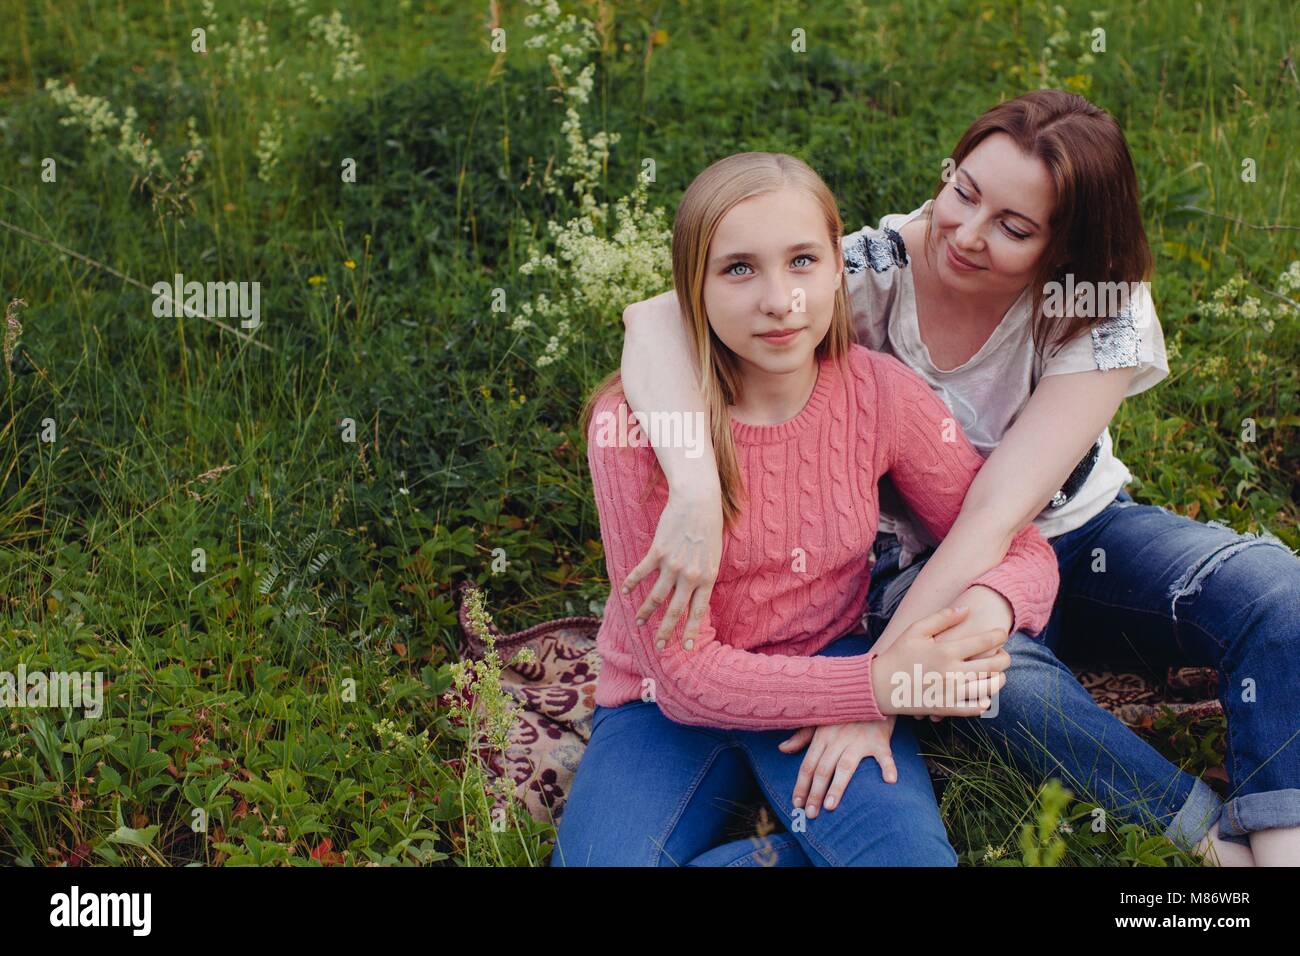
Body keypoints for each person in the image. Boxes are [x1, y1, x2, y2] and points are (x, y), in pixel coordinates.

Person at [616, 90, 1300, 866]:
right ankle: (1205, 839)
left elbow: (996, 516)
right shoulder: (875, 265)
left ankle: (1283, 842)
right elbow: (657, 318)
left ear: (1067, 249)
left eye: (1013, 228)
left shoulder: (1103, 307)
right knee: (996, 685)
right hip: (919, 564)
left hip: (1078, 538)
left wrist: (870, 694)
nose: (966, 235)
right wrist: (698, 492)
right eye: (962, 192)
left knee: (1277, 588)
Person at [550, 150, 1060, 867]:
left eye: (802, 262)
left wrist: (994, 605)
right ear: (690, 286)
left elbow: (1021, 546)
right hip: (660, 709)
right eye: (738, 269)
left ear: (836, 268)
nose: (779, 300)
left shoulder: (878, 392)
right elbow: (684, 679)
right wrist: (878, 685)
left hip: (827, 659)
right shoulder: (630, 428)